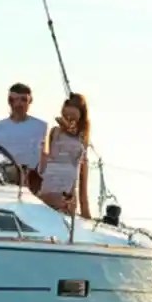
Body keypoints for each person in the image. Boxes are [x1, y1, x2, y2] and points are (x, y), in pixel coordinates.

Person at [38, 92, 93, 220]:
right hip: (51, 181)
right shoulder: (55, 131)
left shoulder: (82, 136)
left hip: (69, 185)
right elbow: (46, 158)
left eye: (73, 117)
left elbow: (83, 171)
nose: (69, 120)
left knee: (67, 218)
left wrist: (85, 208)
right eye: (66, 116)